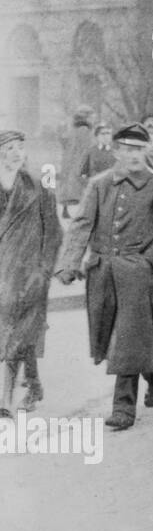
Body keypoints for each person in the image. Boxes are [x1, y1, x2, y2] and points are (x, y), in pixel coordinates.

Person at [55, 123, 153, 429]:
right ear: (115, 152)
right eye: (127, 149)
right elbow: (82, 223)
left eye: (139, 149)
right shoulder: (100, 184)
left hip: (140, 275)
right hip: (103, 273)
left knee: (128, 338)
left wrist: (148, 264)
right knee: (125, 337)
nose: (133, 156)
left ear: (147, 151)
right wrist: (69, 263)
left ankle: (123, 407)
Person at [0, 130, 61, 416]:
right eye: (9, 147)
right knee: (17, 333)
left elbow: (54, 232)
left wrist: (44, 268)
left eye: (19, 147)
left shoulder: (37, 185)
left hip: (31, 273)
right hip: (3, 273)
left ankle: (6, 401)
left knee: (19, 331)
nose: (15, 152)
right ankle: (34, 385)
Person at [59, 105, 95, 218]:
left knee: (69, 185)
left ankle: (66, 208)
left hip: (69, 161)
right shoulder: (85, 130)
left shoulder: (73, 130)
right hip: (79, 161)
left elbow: (64, 141)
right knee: (82, 186)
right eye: (91, 116)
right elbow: (87, 148)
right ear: (86, 117)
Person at [79, 123, 116, 188]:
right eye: (103, 134)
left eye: (108, 133)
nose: (106, 137)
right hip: (93, 189)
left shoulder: (115, 153)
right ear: (97, 136)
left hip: (110, 189)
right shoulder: (90, 152)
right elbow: (83, 173)